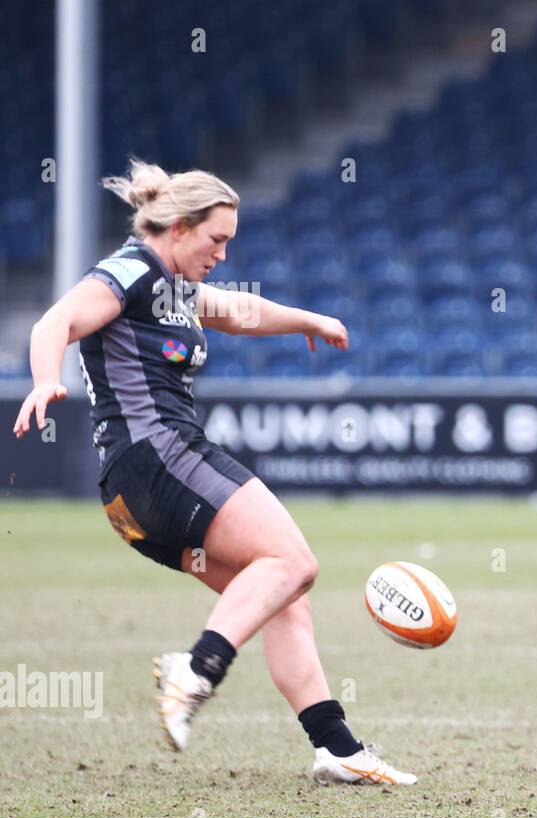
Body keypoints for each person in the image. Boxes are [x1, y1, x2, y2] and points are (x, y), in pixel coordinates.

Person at [12, 159, 416, 786]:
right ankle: (196, 669)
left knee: (282, 594)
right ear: (177, 227)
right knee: (295, 562)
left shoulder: (172, 285)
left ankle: (336, 747)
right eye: (216, 239)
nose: (223, 253)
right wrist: (43, 380)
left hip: (133, 497)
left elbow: (239, 310)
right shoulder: (134, 268)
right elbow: (54, 321)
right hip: (159, 457)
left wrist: (307, 320)